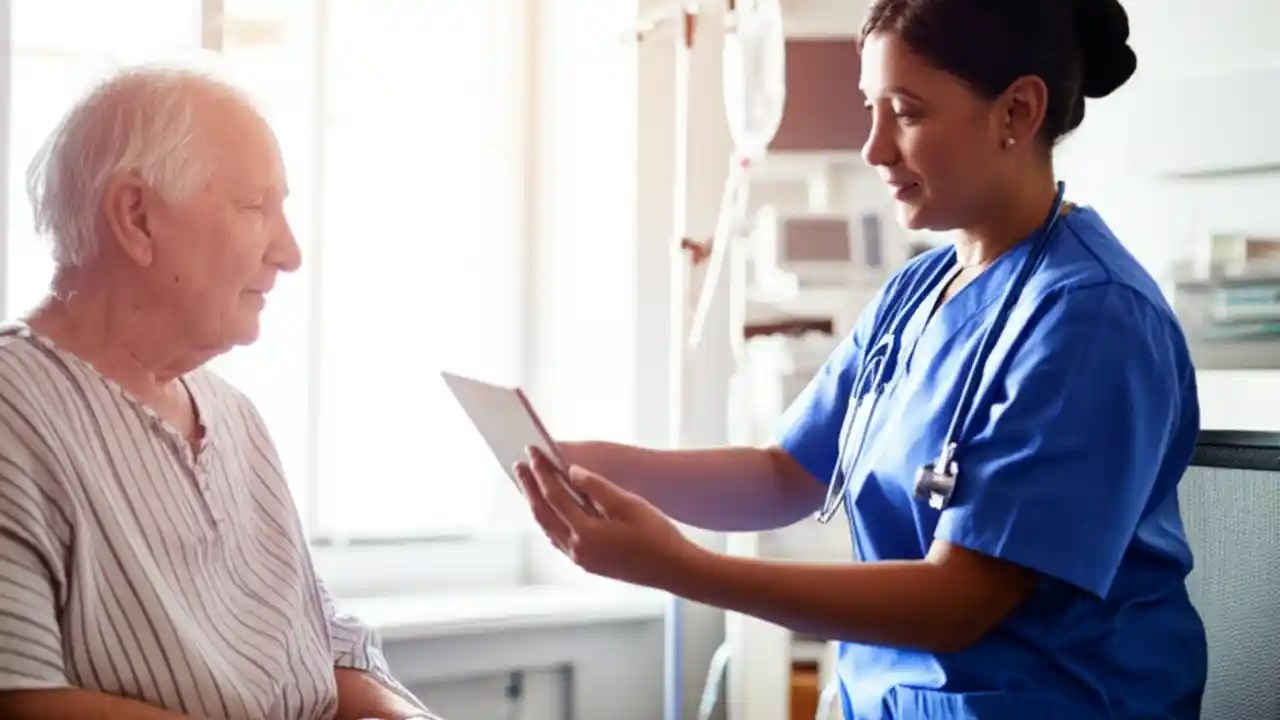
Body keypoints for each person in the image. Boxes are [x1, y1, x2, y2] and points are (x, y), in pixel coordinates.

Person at [515, 0, 1207, 717]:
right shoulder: (918, 290)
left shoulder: (1091, 317)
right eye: (869, 108)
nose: (873, 148)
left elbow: (957, 605)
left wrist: (680, 568)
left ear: (1016, 112)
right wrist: (575, 464)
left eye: (905, 112)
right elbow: (782, 476)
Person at [0, 68, 440, 720]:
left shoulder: (234, 416)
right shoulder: (15, 409)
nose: (288, 253)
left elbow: (325, 647)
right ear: (137, 217)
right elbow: (25, 703)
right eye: (255, 206)